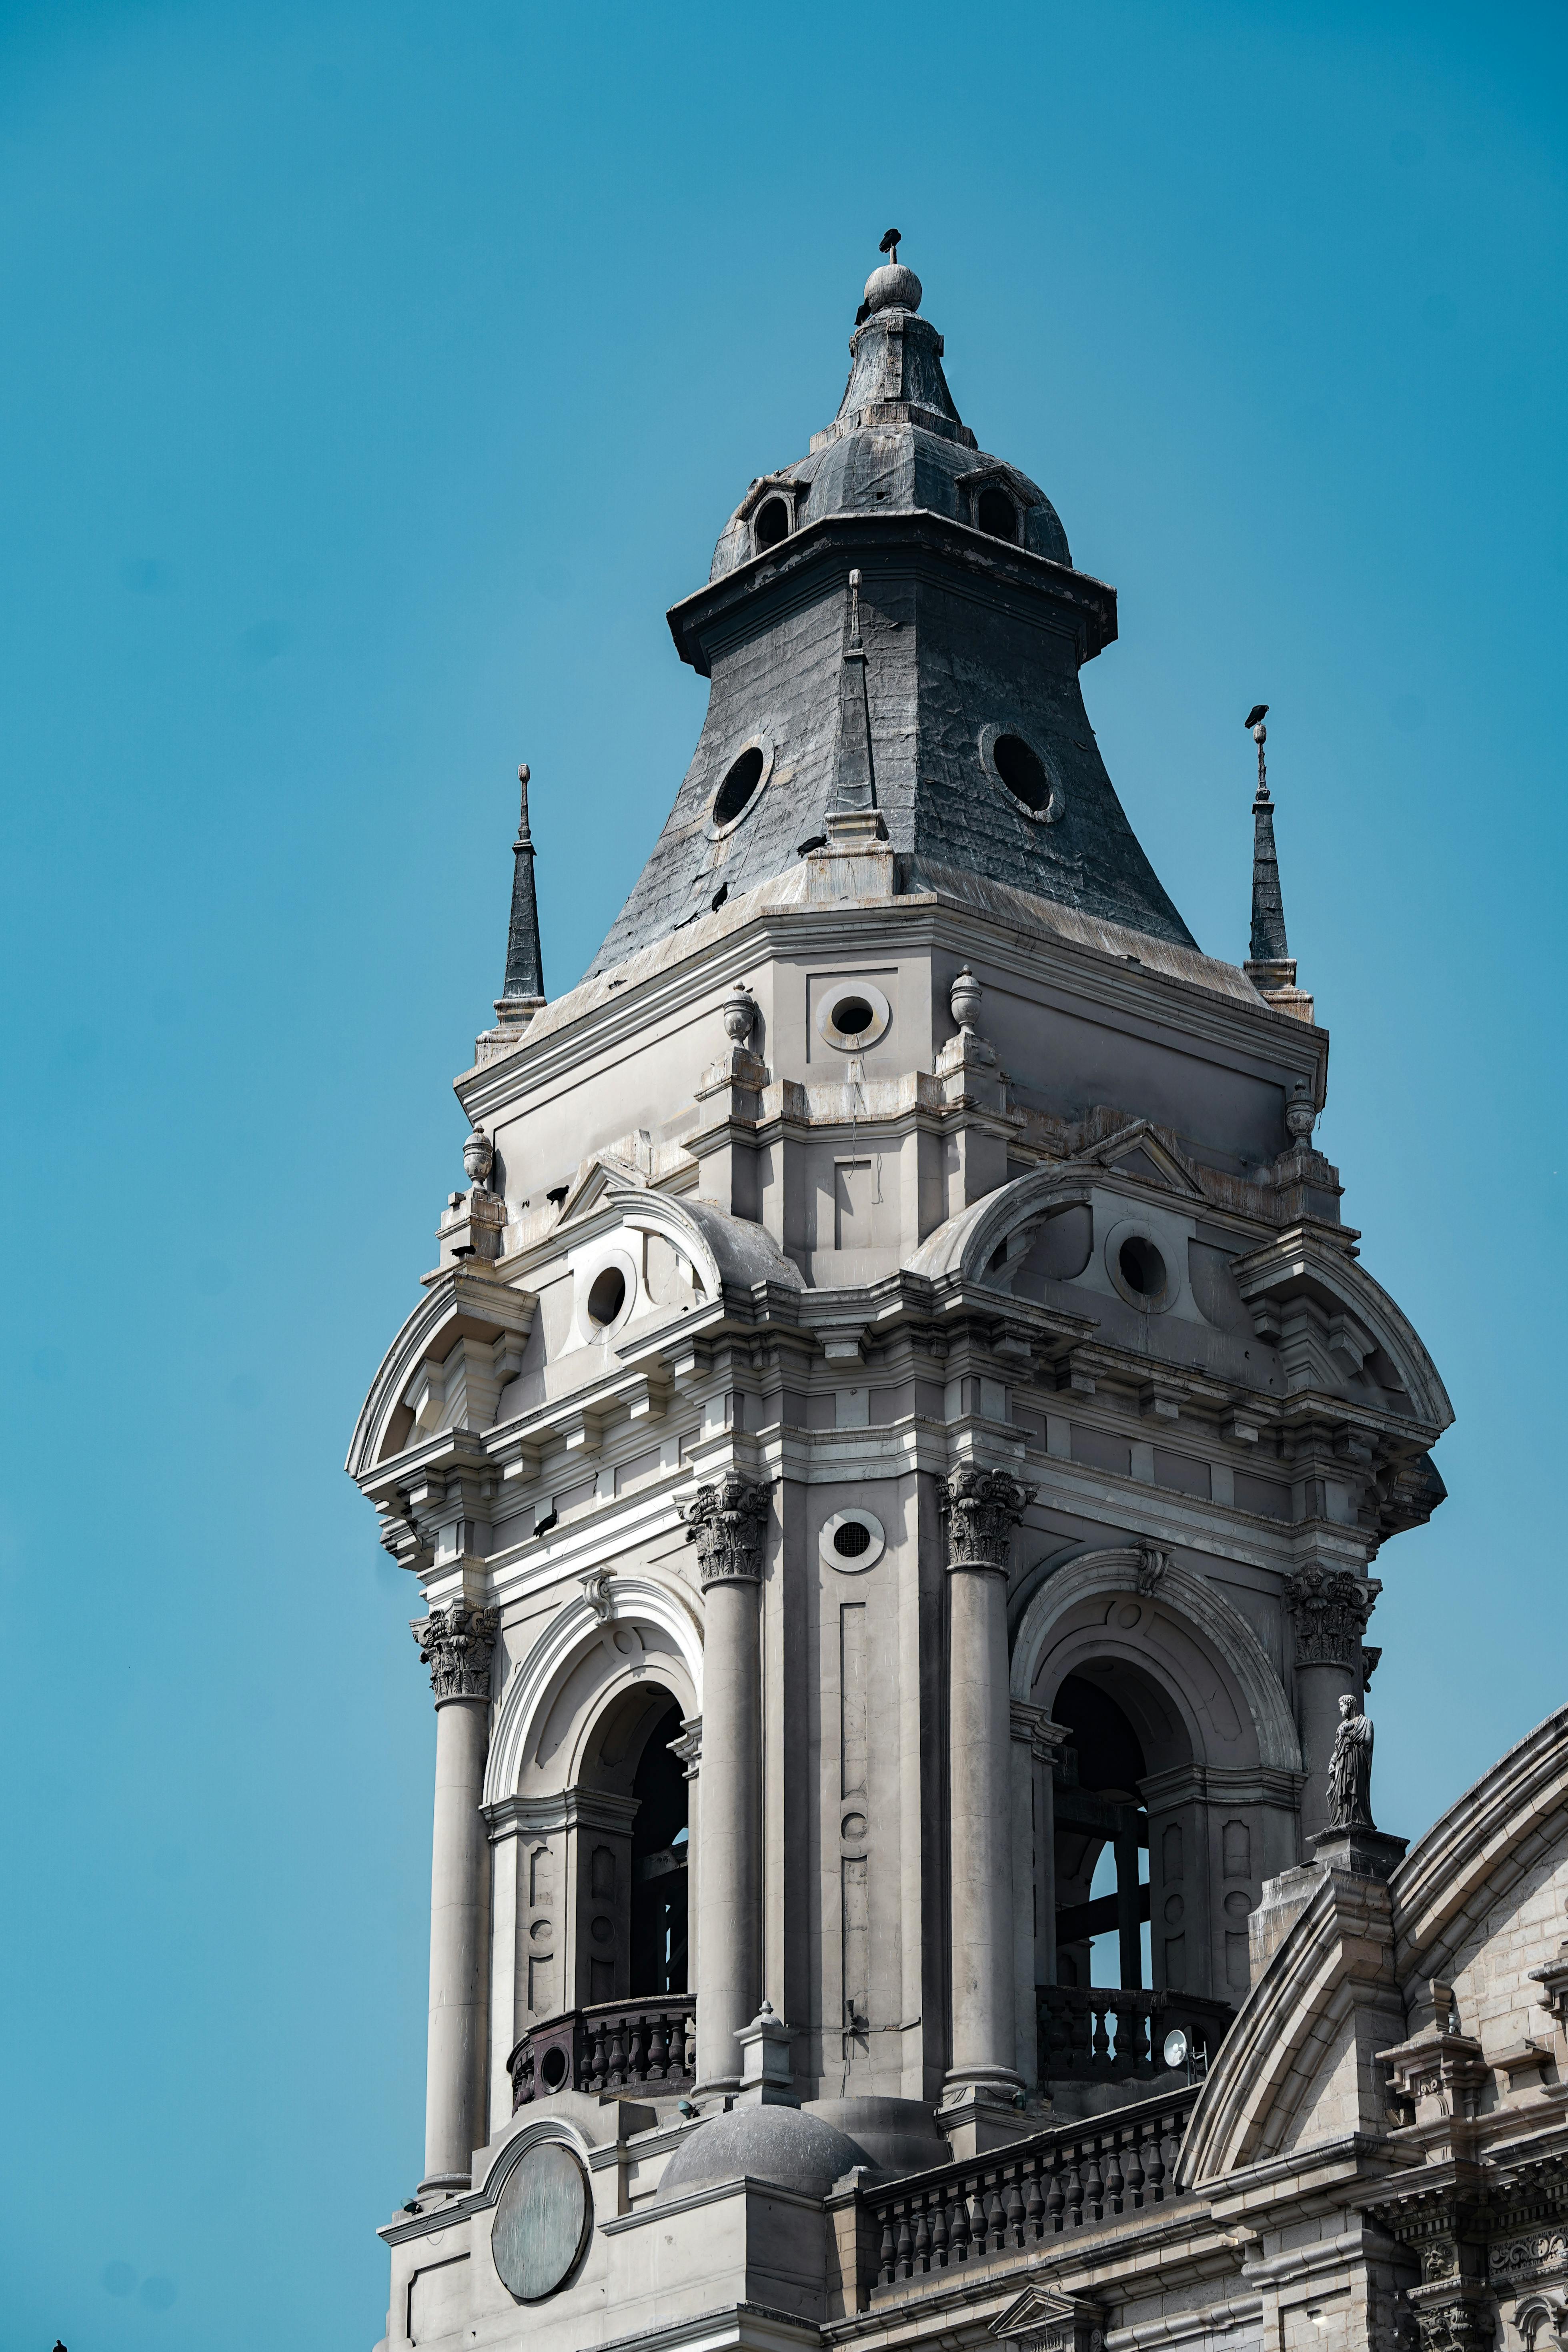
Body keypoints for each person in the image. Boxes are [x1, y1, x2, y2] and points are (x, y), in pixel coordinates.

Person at [1326, 1691, 1376, 1830]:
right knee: (1337, 1793)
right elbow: (1337, 1748)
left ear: (1349, 1705)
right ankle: (1342, 1820)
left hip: (1357, 1764)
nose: (1341, 1710)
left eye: (1342, 1706)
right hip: (1342, 1765)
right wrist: (1332, 1763)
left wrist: (1350, 1732)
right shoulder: (1341, 1726)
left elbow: (1367, 1741)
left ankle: (1358, 1819)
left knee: (1355, 1791)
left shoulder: (1365, 1723)